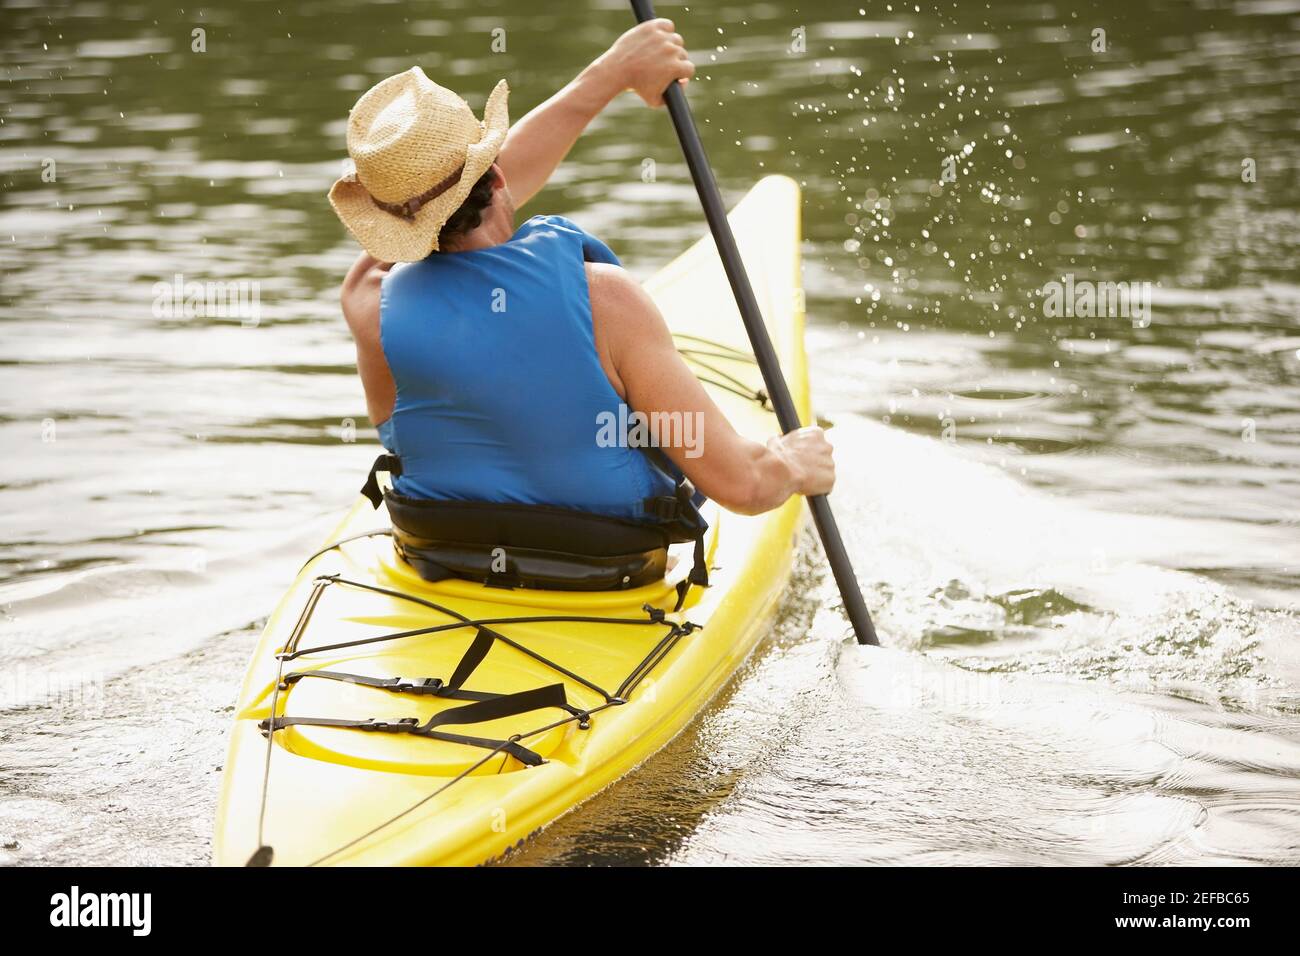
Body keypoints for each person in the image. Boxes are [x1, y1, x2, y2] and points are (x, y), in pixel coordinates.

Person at [329, 18, 834, 531]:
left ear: (391, 225)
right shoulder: (608, 302)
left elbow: (455, 207)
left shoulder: (367, 302)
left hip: (440, 555)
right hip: (603, 576)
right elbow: (742, 486)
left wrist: (614, 73)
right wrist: (792, 463)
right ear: (495, 173)